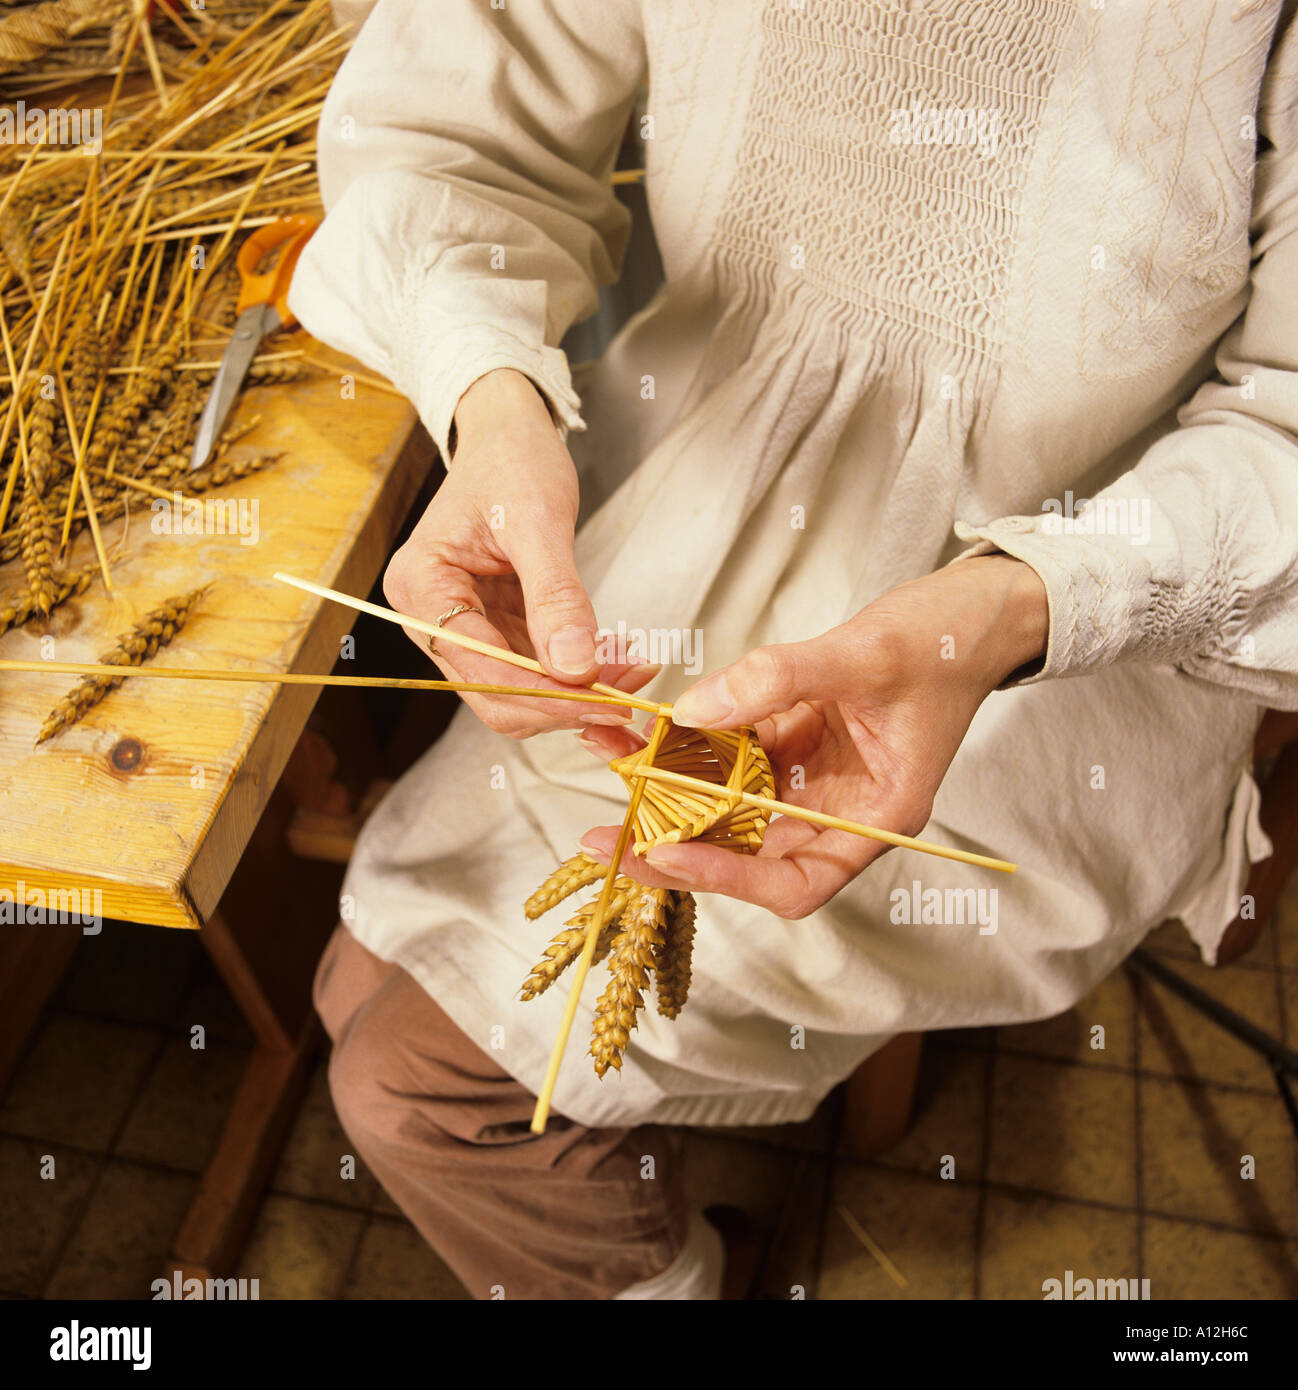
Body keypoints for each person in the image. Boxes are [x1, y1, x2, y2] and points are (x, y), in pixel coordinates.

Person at [289, 0, 1298, 1299]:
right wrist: (491, 397)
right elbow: (451, 126)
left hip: (1053, 645)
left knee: (409, 1088)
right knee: (351, 983)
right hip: (671, 535)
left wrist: (993, 613)